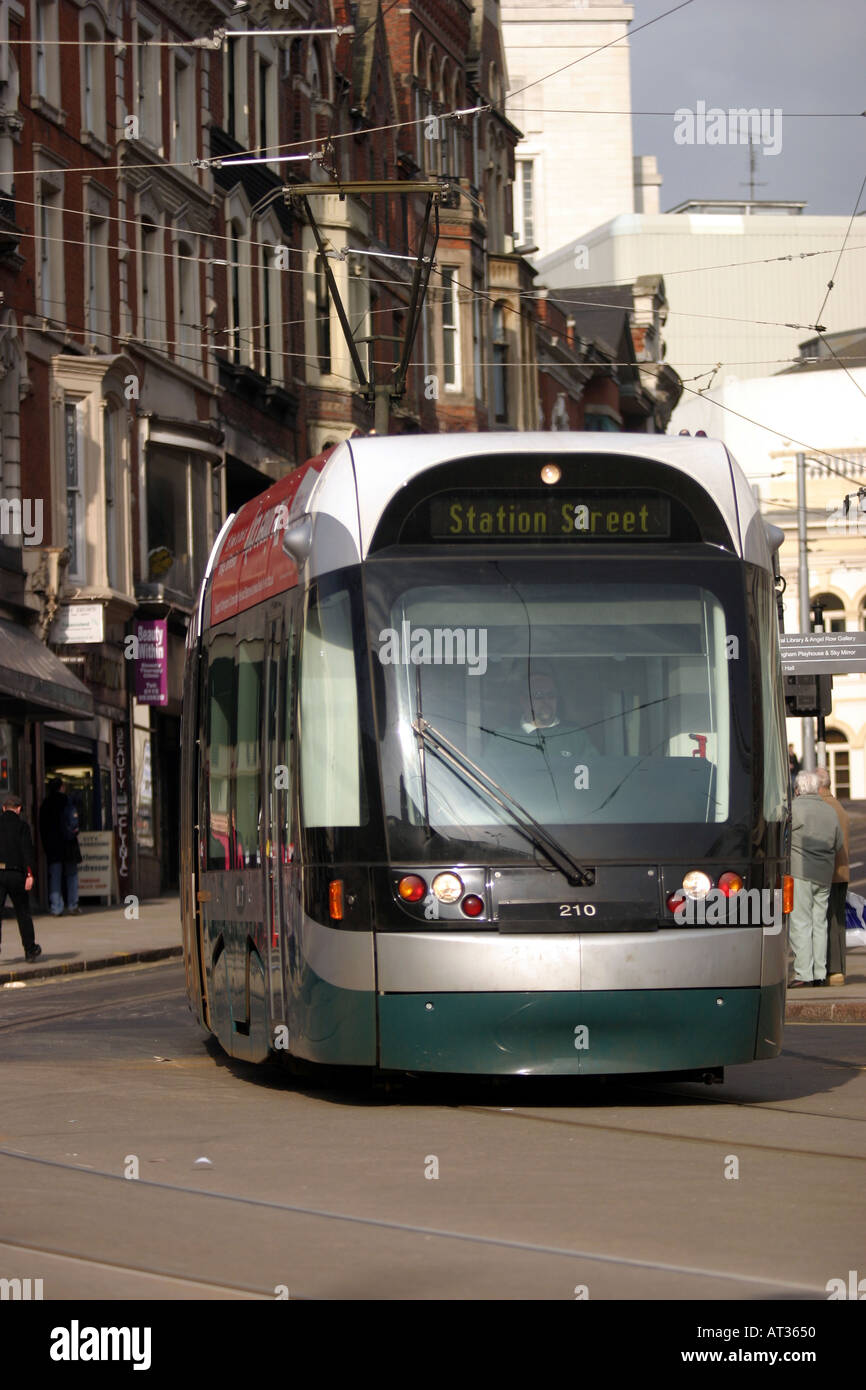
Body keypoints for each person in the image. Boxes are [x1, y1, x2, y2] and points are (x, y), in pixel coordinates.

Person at [788, 770, 843, 987]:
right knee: (820, 922)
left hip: (801, 872)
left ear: (799, 789)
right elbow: (838, 844)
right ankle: (820, 972)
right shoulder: (830, 811)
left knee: (801, 922)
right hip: (824, 874)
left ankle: (804, 974)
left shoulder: (794, 808)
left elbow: (782, 837)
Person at [816, 766, 849, 985]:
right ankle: (839, 970)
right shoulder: (837, 805)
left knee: (827, 922)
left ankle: (832, 969)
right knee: (838, 921)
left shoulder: (823, 808)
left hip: (827, 871)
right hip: (841, 871)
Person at [0, 793, 41, 961]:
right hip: (17, 874)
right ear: (18, 809)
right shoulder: (22, 826)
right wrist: (29, 874)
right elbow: (27, 852)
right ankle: (30, 950)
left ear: (3, 808)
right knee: (23, 912)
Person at [39, 778, 82, 916]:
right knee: (71, 875)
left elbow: (42, 827)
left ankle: (56, 907)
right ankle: (72, 905)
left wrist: (46, 844)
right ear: (62, 787)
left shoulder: (46, 803)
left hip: (53, 846)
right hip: (68, 844)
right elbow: (74, 822)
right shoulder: (67, 801)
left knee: (55, 876)